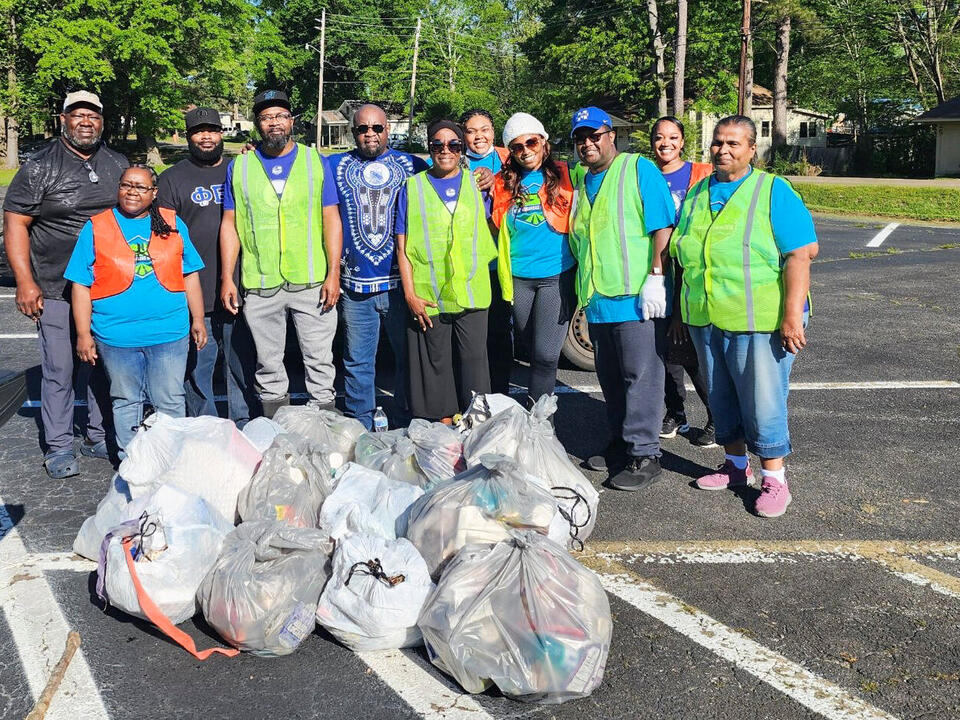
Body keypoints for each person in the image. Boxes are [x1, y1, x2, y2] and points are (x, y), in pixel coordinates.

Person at [670, 115, 818, 518]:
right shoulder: (698, 193)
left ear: (752, 149)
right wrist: (682, 312)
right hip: (706, 317)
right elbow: (687, 257)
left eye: (733, 143)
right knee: (721, 397)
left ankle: (774, 479)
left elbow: (800, 254)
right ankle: (736, 467)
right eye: (718, 142)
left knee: (762, 401)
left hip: (760, 321)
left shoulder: (772, 190)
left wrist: (792, 316)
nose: (723, 150)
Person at [3, 91, 128, 477]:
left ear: (102, 121)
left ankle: (96, 434)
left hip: (107, 287)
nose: (86, 122)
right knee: (59, 368)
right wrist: (25, 281)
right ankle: (58, 445)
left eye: (93, 115)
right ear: (63, 120)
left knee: (103, 365)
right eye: (78, 115)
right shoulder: (39, 167)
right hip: (55, 286)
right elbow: (16, 224)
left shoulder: (117, 163)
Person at [568, 107, 676, 491]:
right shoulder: (582, 180)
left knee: (640, 377)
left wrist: (656, 276)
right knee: (611, 380)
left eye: (594, 135)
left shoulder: (637, 169)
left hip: (635, 298)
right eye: (580, 138)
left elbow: (663, 227)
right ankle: (621, 443)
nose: (588, 143)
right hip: (598, 299)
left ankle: (645, 453)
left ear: (610, 135)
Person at [64, 165, 207, 455]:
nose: (132, 192)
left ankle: (169, 460)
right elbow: (80, 284)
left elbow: (190, 274)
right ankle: (132, 462)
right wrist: (83, 334)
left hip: (169, 332)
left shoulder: (172, 222)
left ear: (154, 193)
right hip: (116, 336)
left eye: (141, 187)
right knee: (126, 401)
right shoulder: (97, 226)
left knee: (170, 400)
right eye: (126, 185)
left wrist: (199, 318)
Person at [219, 90, 343, 418]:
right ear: (257, 124)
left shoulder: (315, 162)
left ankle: (323, 430)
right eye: (265, 117)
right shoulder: (240, 166)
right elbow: (230, 224)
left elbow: (331, 219)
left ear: (291, 121)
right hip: (261, 281)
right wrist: (227, 277)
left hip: (312, 281)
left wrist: (333, 274)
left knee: (320, 362)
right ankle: (277, 433)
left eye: (280, 116)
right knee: (268, 366)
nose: (273, 122)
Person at [327, 104, 428, 429]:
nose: (370, 134)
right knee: (357, 362)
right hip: (356, 288)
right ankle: (360, 427)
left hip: (402, 287)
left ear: (388, 129)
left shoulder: (412, 165)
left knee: (409, 358)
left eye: (377, 128)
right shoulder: (334, 166)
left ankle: (406, 422)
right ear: (352, 132)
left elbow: (446, 182)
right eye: (362, 129)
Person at [157, 107, 256, 426]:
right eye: (198, 131)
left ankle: (242, 424)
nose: (206, 136)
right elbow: (164, 240)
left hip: (240, 285)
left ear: (221, 133)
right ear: (188, 136)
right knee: (199, 368)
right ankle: (205, 428)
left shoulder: (239, 169)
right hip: (196, 289)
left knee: (241, 364)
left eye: (212, 130)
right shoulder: (171, 179)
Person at [395, 119, 497, 421]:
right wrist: (410, 295)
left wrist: (492, 178)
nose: (445, 150)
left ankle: (477, 427)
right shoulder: (412, 188)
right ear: (429, 148)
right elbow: (402, 247)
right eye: (437, 145)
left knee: (474, 367)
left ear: (461, 148)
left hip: (472, 291)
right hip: (430, 295)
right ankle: (442, 433)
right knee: (436, 370)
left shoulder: (477, 183)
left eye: (453, 144)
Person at [491, 112, 575, 405]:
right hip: (518, 276)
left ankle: (541, 421)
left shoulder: (567, 174)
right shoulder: (502, 182)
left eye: (531, 142)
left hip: (556, 274)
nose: (525, 150)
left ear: (544, 142)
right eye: (517, 146)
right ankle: (532, 414)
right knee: (529, 347)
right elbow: (493, 225)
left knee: (546, 354)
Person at [650, 115, 716, 447]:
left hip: (689, 270)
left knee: (691, 351)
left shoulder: (701, 174)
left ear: (682, 142)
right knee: (663, 350)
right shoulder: (646, 176)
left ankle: (718, 415)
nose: (666, 143)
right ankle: (675, 413)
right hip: (657, 267)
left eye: (673, 137)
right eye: (660, 137)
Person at [460, 109, 512, 394]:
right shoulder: (453, 157)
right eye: (471, 131)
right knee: (471, 338)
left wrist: (498, 181)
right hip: (467, 265)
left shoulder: (508, 157)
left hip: (498, 263)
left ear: (493, 131)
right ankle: (471, 397)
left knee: (499, 334)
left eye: (484, 130)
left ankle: (501, 396)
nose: (478, 136)